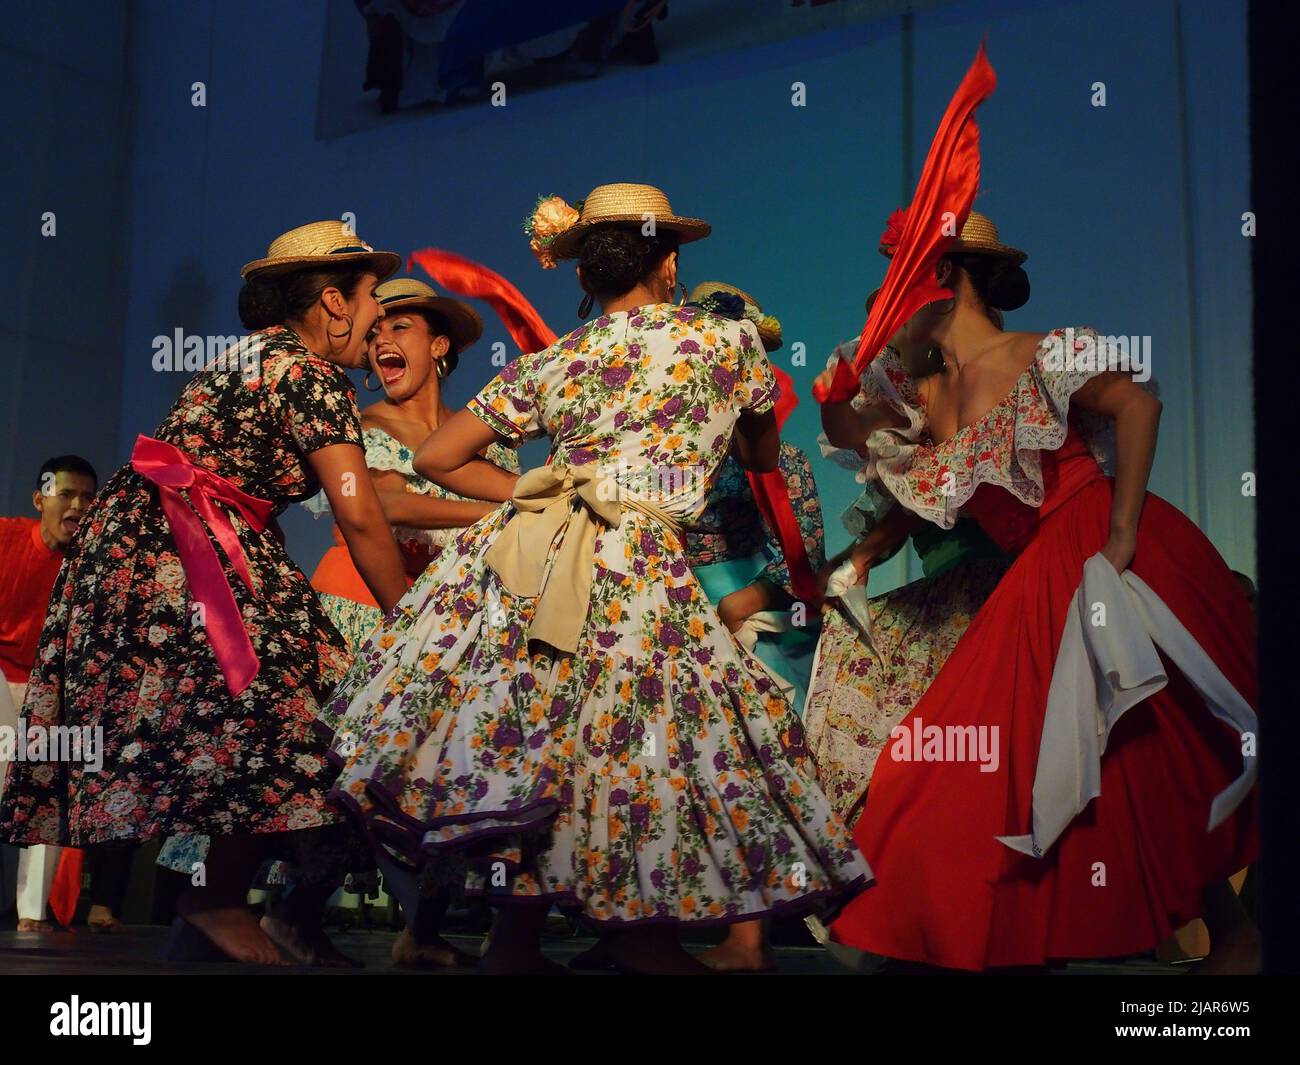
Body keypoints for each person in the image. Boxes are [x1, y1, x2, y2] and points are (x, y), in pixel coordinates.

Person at [321, 183, 870, 974]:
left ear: (586, 278)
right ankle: (638, 935)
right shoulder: (722, 345)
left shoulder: (558, 359)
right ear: (670, 263)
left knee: (539, 746)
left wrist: (541, 488)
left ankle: (514, 941)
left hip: (537, 564)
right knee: (639, 751)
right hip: (636, 566)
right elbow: (757, 455)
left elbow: (439, 459)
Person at [820, 210, 1260, 972]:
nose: (885, 311)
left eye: (898, 288)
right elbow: (855, 431)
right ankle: (990, 937)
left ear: (942, 280)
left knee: (1153, 745)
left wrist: (1121, 534)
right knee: (977, 766)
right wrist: (835, 392)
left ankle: (1231, 934)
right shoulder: (926, 392)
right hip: (1036, 576)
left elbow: (1137, 404)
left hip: (1112, 550)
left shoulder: (1042, 356)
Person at [0, 220, 411, 966]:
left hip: (150, 544)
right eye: (373, 296)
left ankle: (217, 913)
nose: (380, 314)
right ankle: (217, 899)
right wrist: (413, 622)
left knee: (260, 724)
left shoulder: (244, 357)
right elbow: (358, 511)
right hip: (185, 551)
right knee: (300, 715)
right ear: (332, 303)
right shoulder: (311, 375)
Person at [0, 455, 96, 932]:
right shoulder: (5, 539)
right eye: (67, 494)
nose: (77, 505)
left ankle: (32, 915)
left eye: (87, 497)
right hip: (1, 672)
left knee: (49, 790)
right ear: (41, 498)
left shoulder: (92, 565)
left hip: (50, 687)